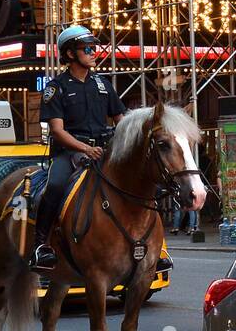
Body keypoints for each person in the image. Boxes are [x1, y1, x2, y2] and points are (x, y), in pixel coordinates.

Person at [32, 25, 165, 272]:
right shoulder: (56, 87)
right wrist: (84, 148)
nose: (94, 53)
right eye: (88, 48)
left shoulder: (103, 85)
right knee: (55, 186)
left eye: (95, 48)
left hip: (105, 151)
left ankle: (158, 248)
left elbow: (120, 120)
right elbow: (58, 132)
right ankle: (42, 246)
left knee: (144, 184)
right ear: (71, 54)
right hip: (70, 154)